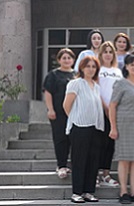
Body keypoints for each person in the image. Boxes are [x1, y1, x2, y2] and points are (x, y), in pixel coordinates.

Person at [109, 54, 134, 204]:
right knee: (124, 159)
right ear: (126, 66)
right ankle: (123, 192)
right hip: (124, 125)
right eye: (132, 64)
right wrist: (113, 127)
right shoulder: (121, 84)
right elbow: (112, 106)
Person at [63, 56, 104, 203]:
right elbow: (66, 105)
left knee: (93, 161)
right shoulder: (75, 84)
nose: (91, 69)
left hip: (95, 127)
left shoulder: (96, 86)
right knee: (79, 160)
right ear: (81, 68)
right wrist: (75, 119)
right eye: (88, 66)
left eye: (93, 67)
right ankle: (77, 192)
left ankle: (89, 191)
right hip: (80, 127)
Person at [43, 48, 75, 179]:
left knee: (74, 140)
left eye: (69, 58)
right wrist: (50, 109)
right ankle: (61, 165)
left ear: (73, 60)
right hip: (58, 113)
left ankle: (74, 165)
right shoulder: (53, 75)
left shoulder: (77, 74)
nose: (67, 60)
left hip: (75, 114)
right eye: (64, 58)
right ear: (59, 60)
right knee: (60, 139)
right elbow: (48, 92)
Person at [97, 41, 122, 187]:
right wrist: (105, 108)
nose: (108, 54)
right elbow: (96, 90)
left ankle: (106, 174)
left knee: (109, 144)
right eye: (105, 51)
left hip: (115, 112)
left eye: (110, 52)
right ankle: (95, 174)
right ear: (101, 54)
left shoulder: (118, 72)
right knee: (98, 144)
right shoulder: (97, 69)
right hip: (100, 111)